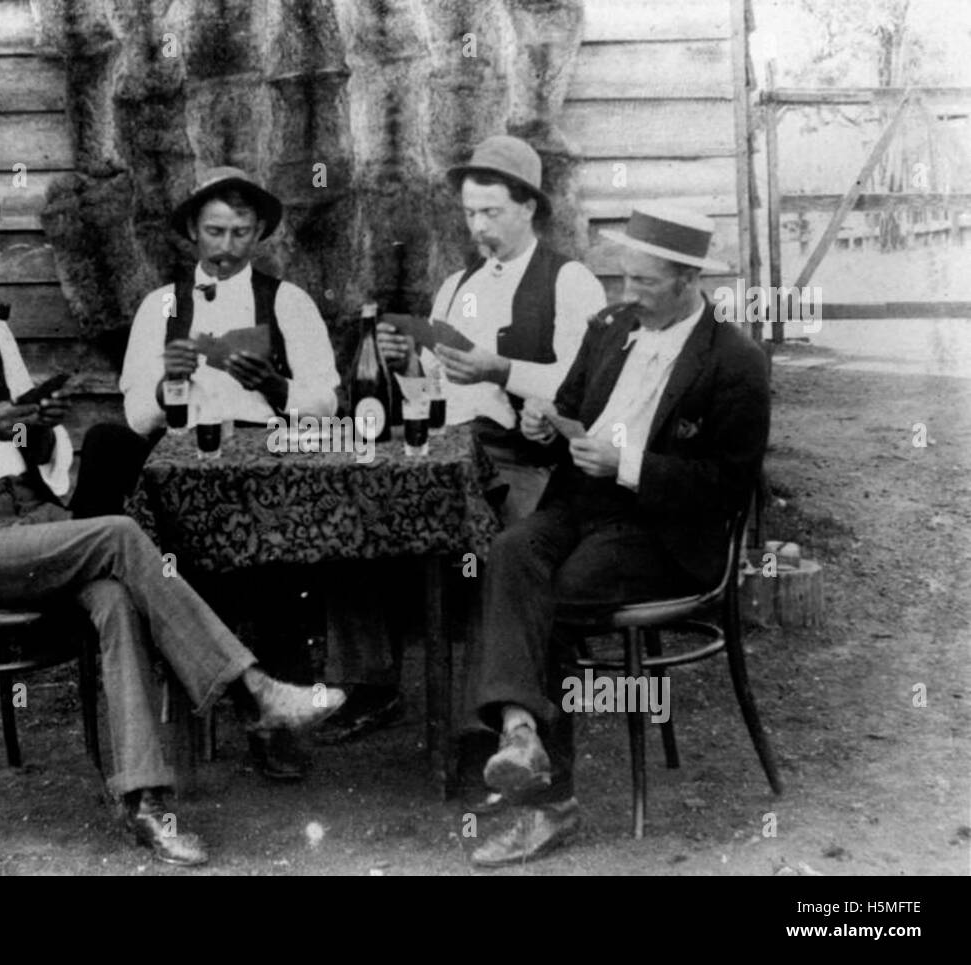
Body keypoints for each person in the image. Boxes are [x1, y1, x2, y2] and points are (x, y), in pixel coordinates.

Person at [0, 190, 345, 868]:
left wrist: (37, 430)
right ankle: (254, 690)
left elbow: (51, 460)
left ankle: (146, 803)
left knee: (118, 598)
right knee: (121, 534)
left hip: (33, 522)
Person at [464, 201, 770, 866]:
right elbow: (568, 416)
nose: (628, 294)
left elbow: (727, 486)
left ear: (689, 281)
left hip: (664, 534)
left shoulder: (735, 361)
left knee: (558, 592)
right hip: (585, 507)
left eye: (645, 283)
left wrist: (626, 463)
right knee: (512, 550)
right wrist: (543, 430)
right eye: (624, 278)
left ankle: (549, 806)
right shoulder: (609, 328)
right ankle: (520, 735)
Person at [314, 134, 606, 745]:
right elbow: (435, 390)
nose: (478, 226)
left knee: (497, 543)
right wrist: (406, 366)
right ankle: (369, 683)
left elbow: (588, 387)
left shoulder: (569, 282)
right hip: (444, 450)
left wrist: (501, 370)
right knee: (345, 506)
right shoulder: (455, 287)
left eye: (491, 212)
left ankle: (488, 716)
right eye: (471, 213)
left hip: (527, 459)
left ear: (529, 208)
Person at [72, 167, 341, 783]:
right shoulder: (161, 306)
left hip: (265, 468)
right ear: (192, 231)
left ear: (259, 236)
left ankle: (276, 719)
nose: (226, 247)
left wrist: (275, 385)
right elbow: (135, 419)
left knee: (284, 549)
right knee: (117, 457)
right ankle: (209, 700)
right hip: (180, 475)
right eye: (215, 231)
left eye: (240, 233)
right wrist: (170, 381)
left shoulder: (287, 301)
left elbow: (328, 402)